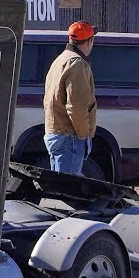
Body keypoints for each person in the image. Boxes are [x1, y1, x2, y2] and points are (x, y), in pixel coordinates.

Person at [43, 20, 98, 175]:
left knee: (58, 187)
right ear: (89, 42)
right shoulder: (77, 63)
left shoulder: (60, 60)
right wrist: (83, 135)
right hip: (69, 136)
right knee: (67, 192)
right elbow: (77, 106)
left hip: (56, 132)